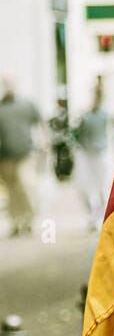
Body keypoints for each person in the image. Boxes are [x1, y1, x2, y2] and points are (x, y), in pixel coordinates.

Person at [0, 76, 40, 236]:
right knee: (11, 191)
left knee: (25, 185)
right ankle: (16, 222)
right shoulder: (1, 107)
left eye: (10, 84)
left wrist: (44, 144)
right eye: (5, 84)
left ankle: (29, 220)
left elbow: (40, 123)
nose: (8, 87)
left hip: (25, 154)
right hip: (5, 156)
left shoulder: (26, 105)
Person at [74, 87, 114, 228]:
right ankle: (93, 215)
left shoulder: (104, 113)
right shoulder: (85, 115)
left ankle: (102, 216)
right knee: (86, 187)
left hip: (100, 154)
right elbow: (77, 133)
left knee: (102, 186)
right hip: (87, 154)